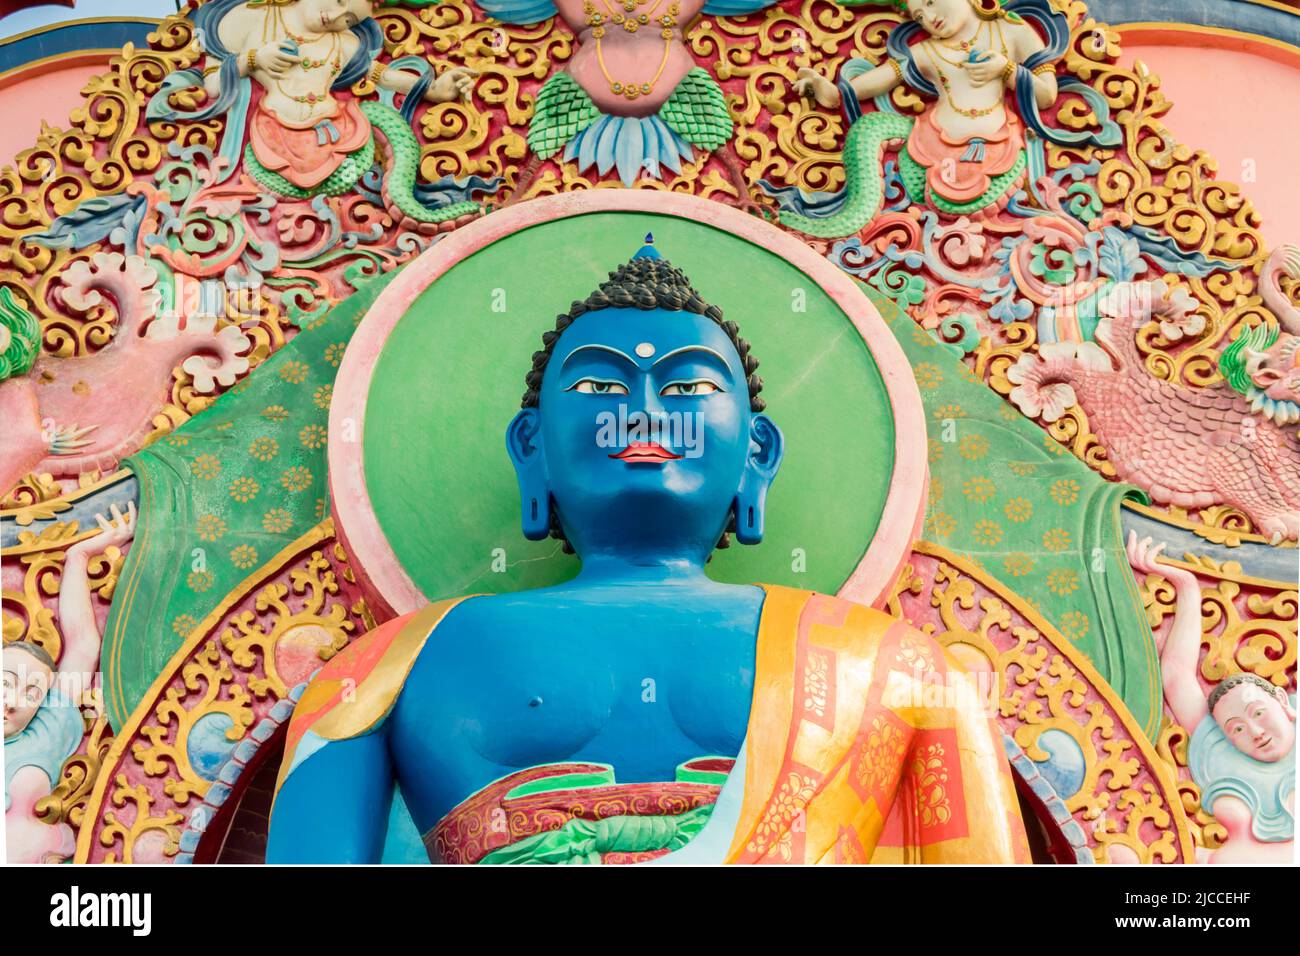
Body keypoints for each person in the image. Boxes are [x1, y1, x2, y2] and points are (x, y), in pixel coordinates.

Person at [266, 236, 1028, 864]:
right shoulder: (379, 674)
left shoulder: (901, 667)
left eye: (690, 389)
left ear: (757, 453)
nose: (644, 413)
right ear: (531, 449)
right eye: (599, 389)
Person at [1128, 532, 1295, 863]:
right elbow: (1176, 676)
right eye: (1236, 729)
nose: (1255, 732)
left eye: (1258, 714)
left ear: (1281, 700)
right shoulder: (1220, 752)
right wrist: (1187, 586)